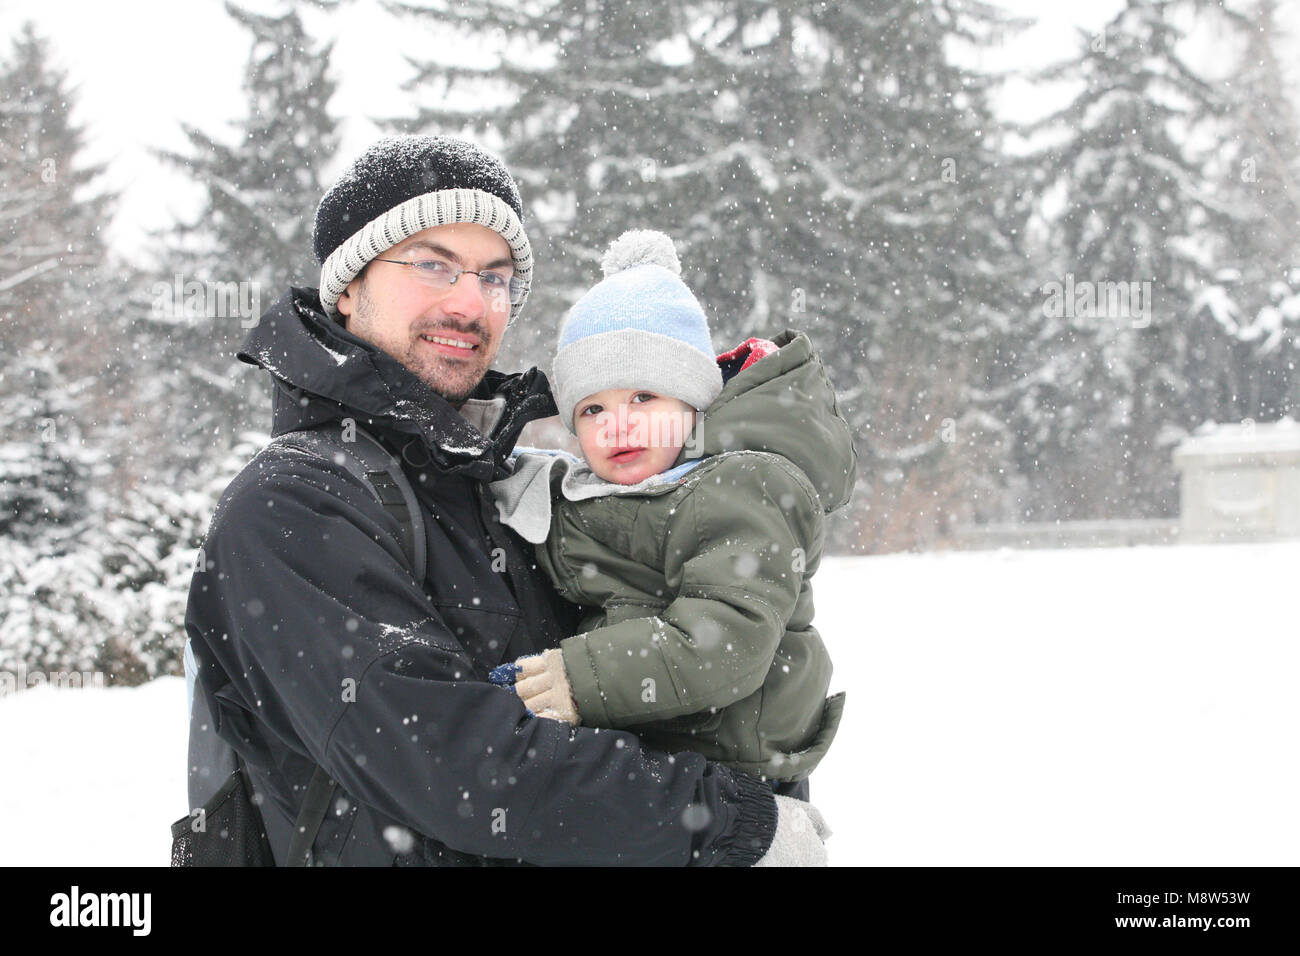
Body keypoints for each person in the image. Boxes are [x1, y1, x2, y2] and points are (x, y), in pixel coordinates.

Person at [183, 134, 830, 865]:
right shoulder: (292, 505)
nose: (470, 303)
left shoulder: (503, 487)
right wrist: (726, 821)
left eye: (495, 278)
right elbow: (455, 764)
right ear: (347, 287)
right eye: (433, 265)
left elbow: (657, 681)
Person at [486, 230, 854, 797]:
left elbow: (725, 642)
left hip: (734, 769)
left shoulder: (740, 486)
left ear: (692, 402)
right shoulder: (624, 490)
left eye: (643, 398)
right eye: (592, 408)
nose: (619, 423)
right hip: (667, 759)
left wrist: (578, 679)